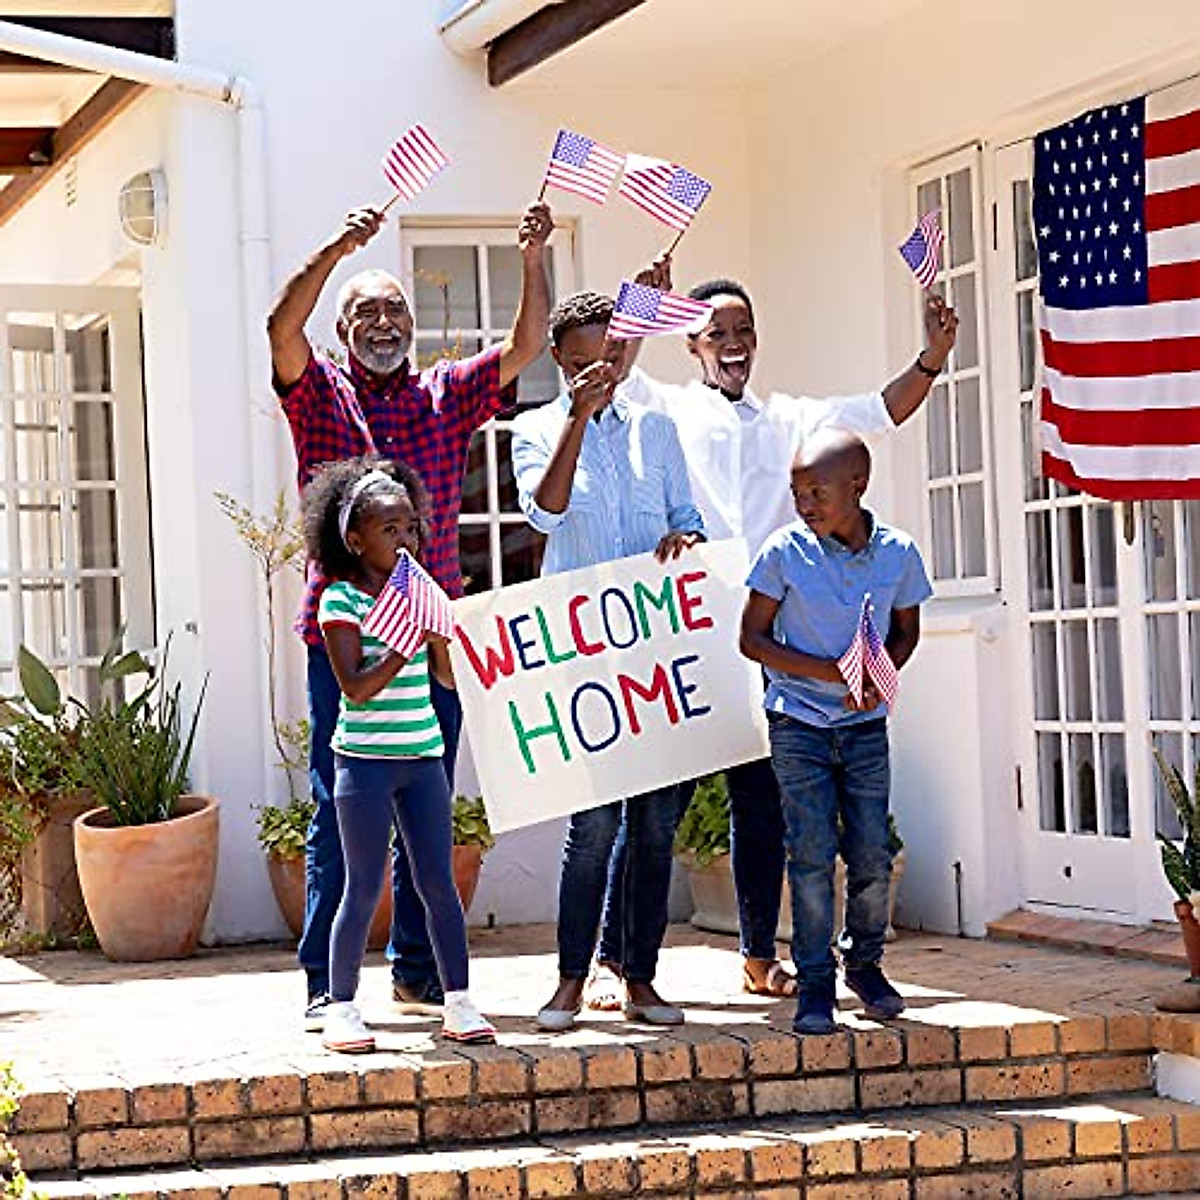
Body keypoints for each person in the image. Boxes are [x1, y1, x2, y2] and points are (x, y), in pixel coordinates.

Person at [588, 270, 957, 1006]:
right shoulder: (667, 405)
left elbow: (879, 412)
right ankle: (613, 961)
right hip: (688, 630)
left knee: (760, 806)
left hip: (767, 634)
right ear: (691, 344)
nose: (732, 344)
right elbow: (613, 371)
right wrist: (642, 305)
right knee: (655, 808)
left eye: (743, 331)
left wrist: (932, 359)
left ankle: (759, 957)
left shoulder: (787, 418)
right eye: (715, 333)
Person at [268, 201, 554, 1028]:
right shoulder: (320, 393)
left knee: (425, 805)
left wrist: (532, 258)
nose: (384, 323)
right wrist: (336, 247)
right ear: (344, 328)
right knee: (339, 807)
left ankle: (419, 975)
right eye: (367, 312)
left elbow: (526, 347)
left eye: (395, 309)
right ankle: (325, 987)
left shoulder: (446, 393)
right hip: (345, 639)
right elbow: (281, 328)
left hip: (433, 637)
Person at [509, 291, 705, 1031]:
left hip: (654, 654)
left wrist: (685, 543)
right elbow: (544, 513)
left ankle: (640, 978)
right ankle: (569, 979)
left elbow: (687, 520)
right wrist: (577, 419)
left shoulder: (657, 429)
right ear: (561, 361)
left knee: (653, 828)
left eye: (612, 356)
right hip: (585, 660)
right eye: (585, 360)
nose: (603, 370)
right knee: (592, 827)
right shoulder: (534, 429)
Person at [739, 429, 932, 1034]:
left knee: (872, 851)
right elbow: (752, 639)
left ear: (858, 486)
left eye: (817, 493)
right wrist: (830, 672)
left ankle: (865, 965)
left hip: (864, 725)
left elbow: (906, 631)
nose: (805, 505)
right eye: (797, 493)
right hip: (798, 721)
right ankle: (816, 983)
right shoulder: (782, 552)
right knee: (812, 852)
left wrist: (878, 676)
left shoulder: (898, 553)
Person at [303, 454, 496, 1052]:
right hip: (363, 764)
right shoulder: (340, 601)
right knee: (363, 886)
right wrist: (405, 640)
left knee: (438, 881)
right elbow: (355, 688)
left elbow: (445, 678)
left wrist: (440, 641)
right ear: (355, 540)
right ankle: (341, 1007)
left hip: (423, 758)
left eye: (410, 526)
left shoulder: (420, 593)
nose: (404, 539)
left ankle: (458, 1002)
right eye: (389, 529)